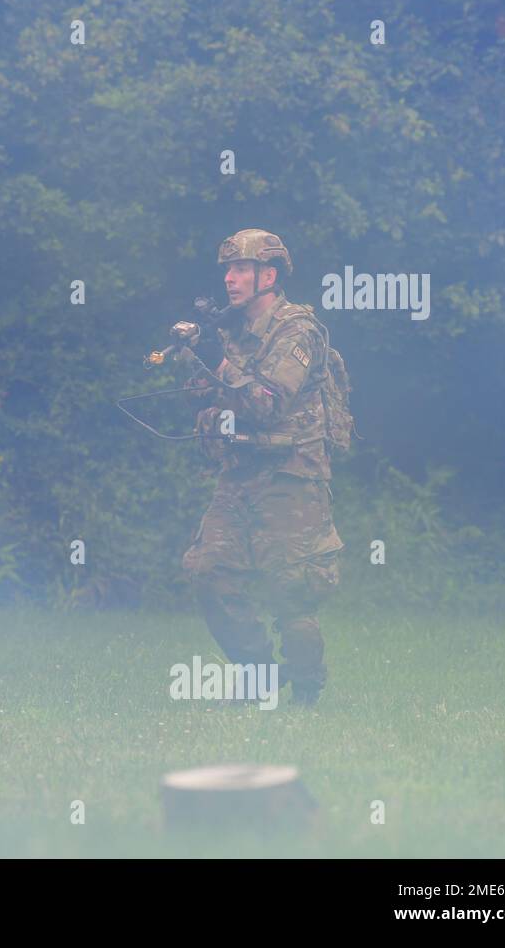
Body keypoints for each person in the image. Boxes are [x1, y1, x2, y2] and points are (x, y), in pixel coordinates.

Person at [181, 230, 345, 706]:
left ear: (267, 276)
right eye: (227, 271)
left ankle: (307, 690)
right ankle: (259, 676)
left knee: (291, 590)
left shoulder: (298, 330)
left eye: (240, 270)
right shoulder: (232, 331)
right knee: (208, 570)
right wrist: (199, 364)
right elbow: (205, 395)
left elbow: (266, 403)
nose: (229, 279)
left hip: (291, 477)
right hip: (239, 474)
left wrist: (220, 366)